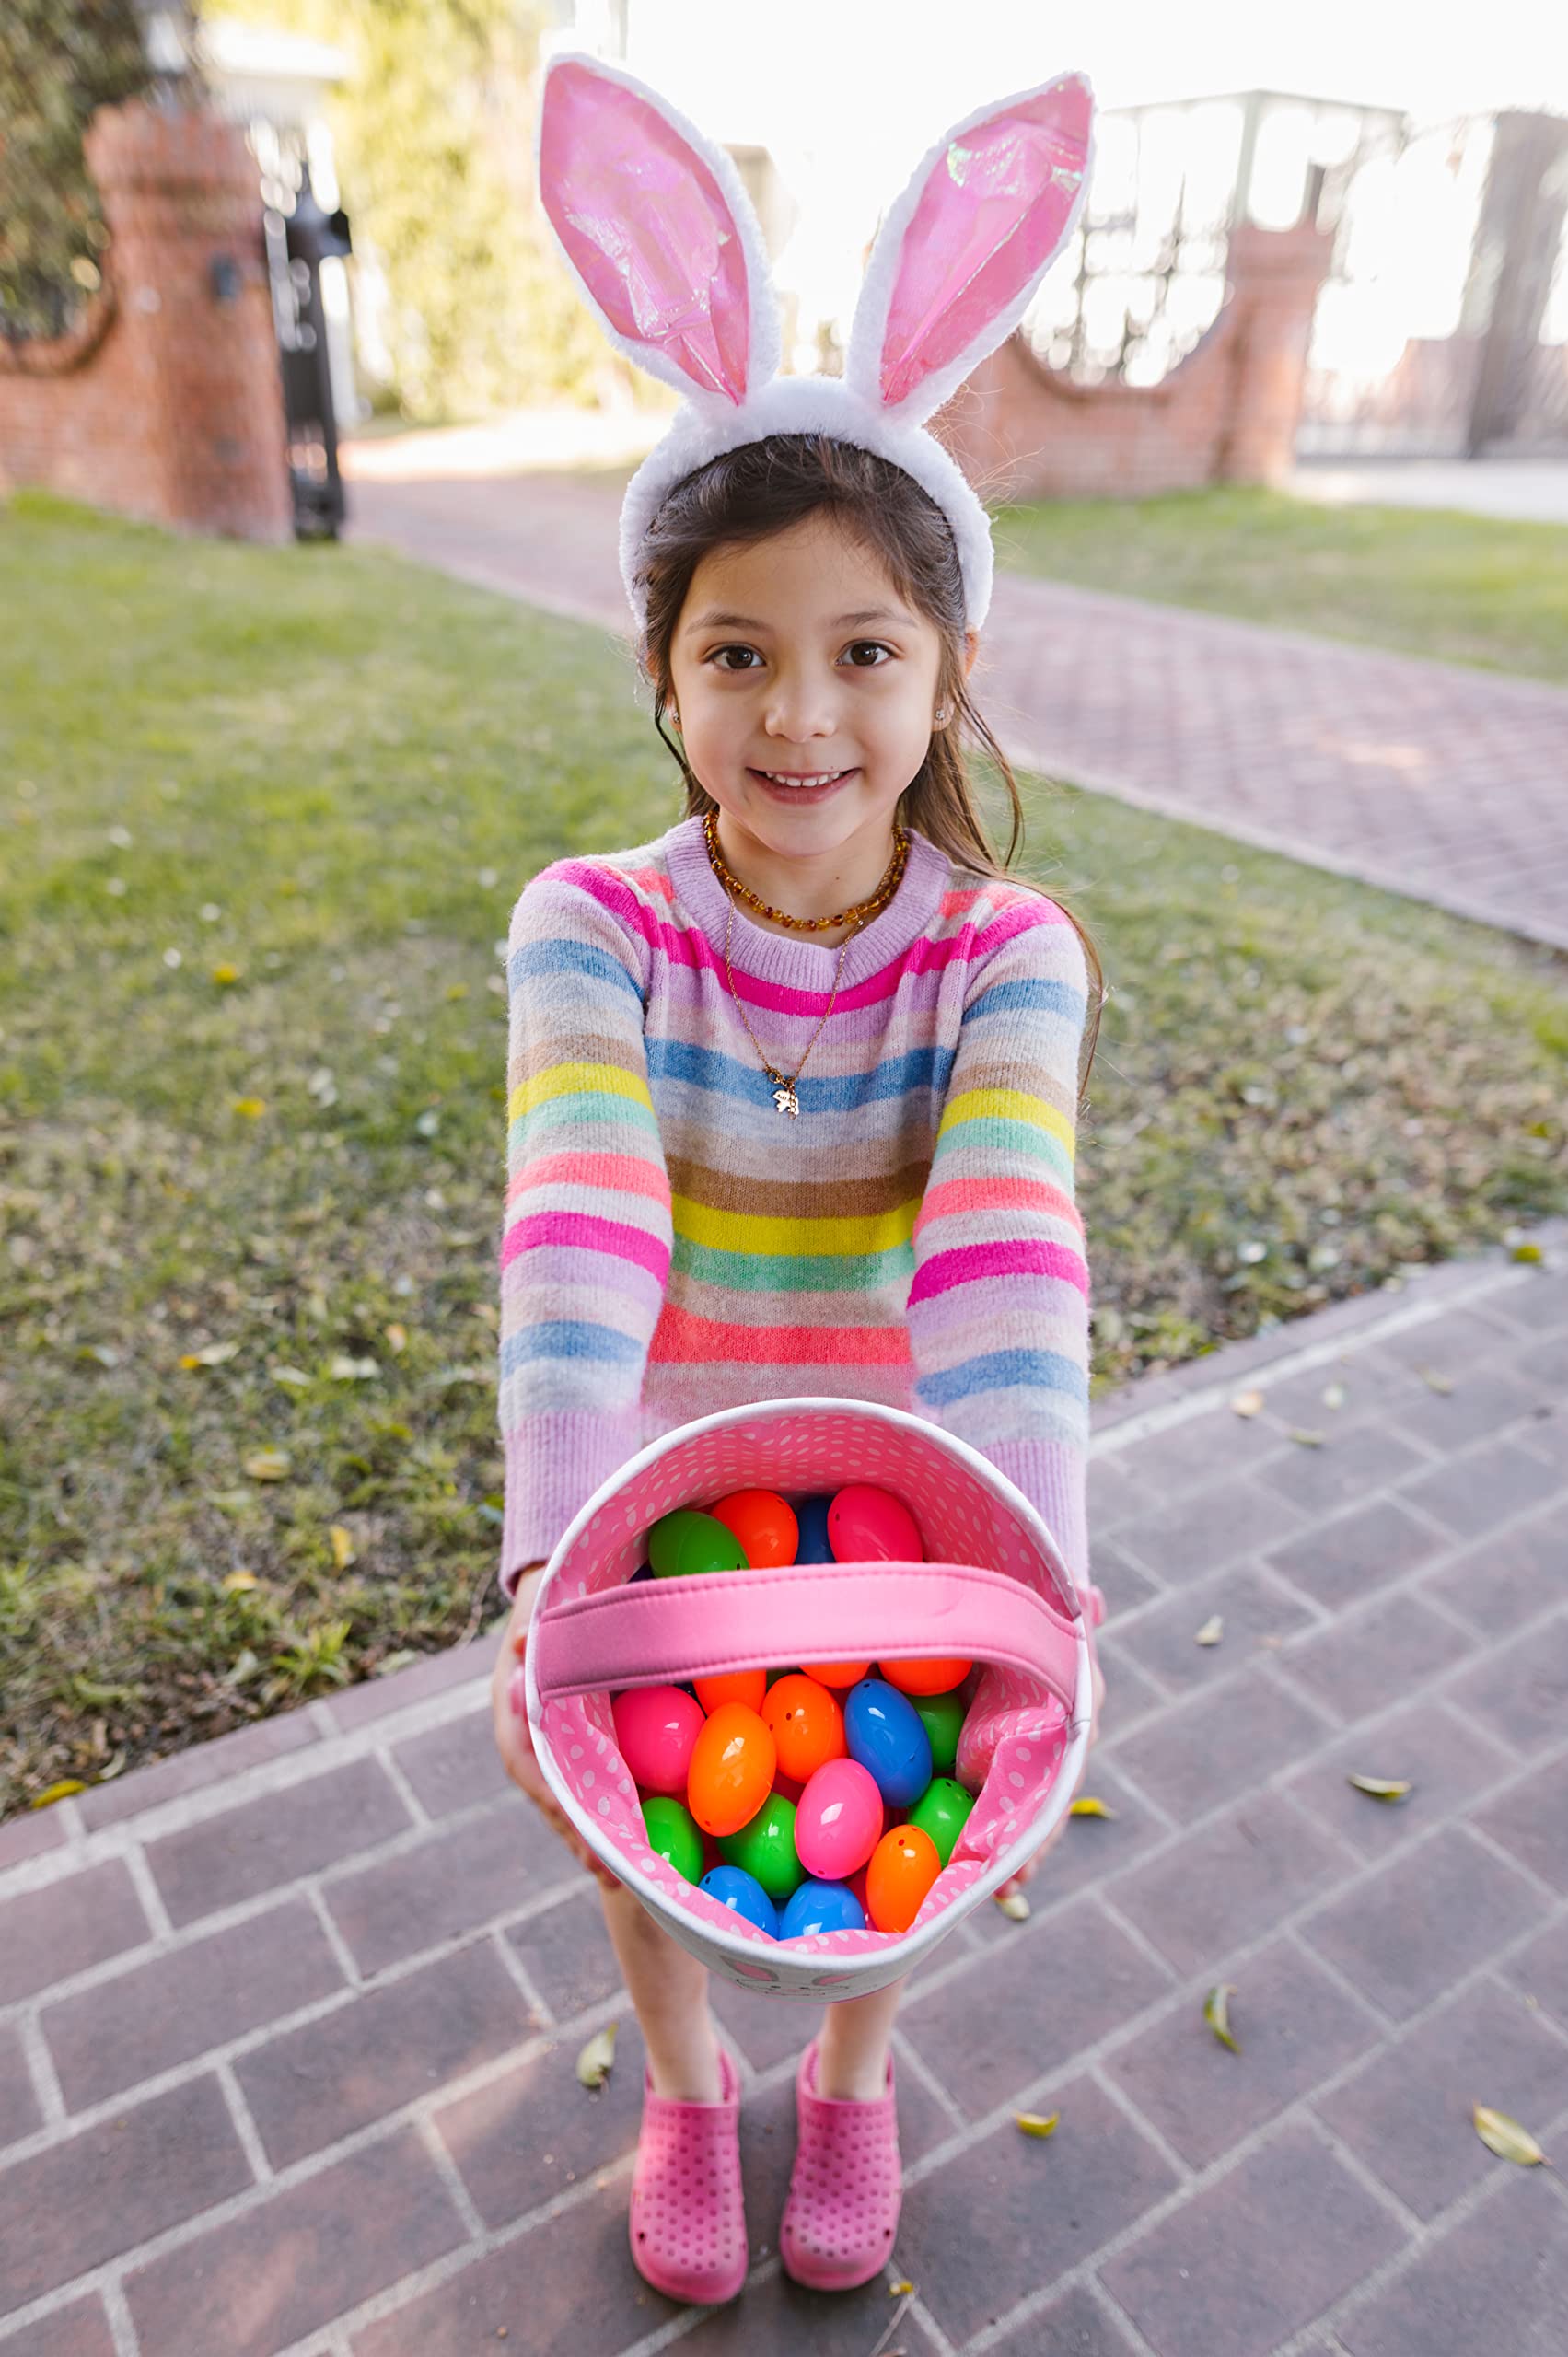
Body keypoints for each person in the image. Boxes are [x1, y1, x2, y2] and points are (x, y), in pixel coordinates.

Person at [491, 49, 1107, 2311]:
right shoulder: (596, 923)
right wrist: (557, 1541)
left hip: (911, 1473)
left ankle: (848, 2074)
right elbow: (576, 1233)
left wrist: (1031, 1564)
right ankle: (680, 2084)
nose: (800, 717)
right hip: (670, 1470)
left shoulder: (1003, 951)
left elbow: (1007, 1254)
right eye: (735, 651)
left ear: (946, 674)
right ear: (662, 674)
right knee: (646, 1816)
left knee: (895, 1815)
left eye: (864, 652)